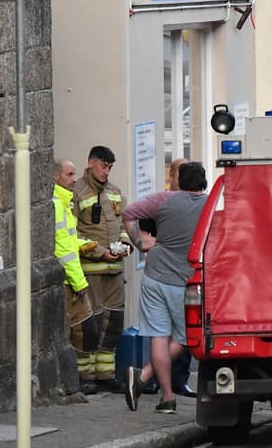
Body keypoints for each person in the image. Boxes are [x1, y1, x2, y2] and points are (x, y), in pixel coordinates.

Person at [122, 161, 208, 414]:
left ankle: (167, 398)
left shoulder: (163, 200)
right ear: (203, 182)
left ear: (180, 180)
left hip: (155, 276)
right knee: (185, 338)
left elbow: (128, 213)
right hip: (187, 281)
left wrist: (140, 242)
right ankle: (143, 377)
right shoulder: (209, 207)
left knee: (159, 336)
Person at [73, 145, 132, 393]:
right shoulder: (77, 193)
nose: (106, 172)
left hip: (114, 271)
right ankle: (85, 377)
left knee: (113, 323)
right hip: (91, 271)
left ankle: (105, 375)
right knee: (90, 324)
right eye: (103, 166)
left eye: (109, 167)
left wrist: (125, 245)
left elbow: (123, 225)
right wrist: (98, 251)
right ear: (91, 163)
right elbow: (71, 234)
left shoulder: (114, 192)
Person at [138, 158, 197, 398]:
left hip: (185, 275)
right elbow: (142, 233)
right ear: (172, 176)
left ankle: (178, 380)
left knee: (181, 332)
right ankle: (153, 380)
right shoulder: (158, 203)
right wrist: (149, 245)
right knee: (163, 334)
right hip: (163, 275)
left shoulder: (194, 202)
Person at [54, 158, 97, 396]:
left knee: (84, 331)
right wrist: (79, 283)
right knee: (82, 331)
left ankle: (82, 380)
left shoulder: (64, 202)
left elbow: (68, 241)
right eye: (69, 175)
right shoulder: (56, 204)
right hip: (68, 281)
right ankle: (78, 381)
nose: (74, 179)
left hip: (71, 278)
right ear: (56, 177)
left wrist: (84, 244)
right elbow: (63, 251)